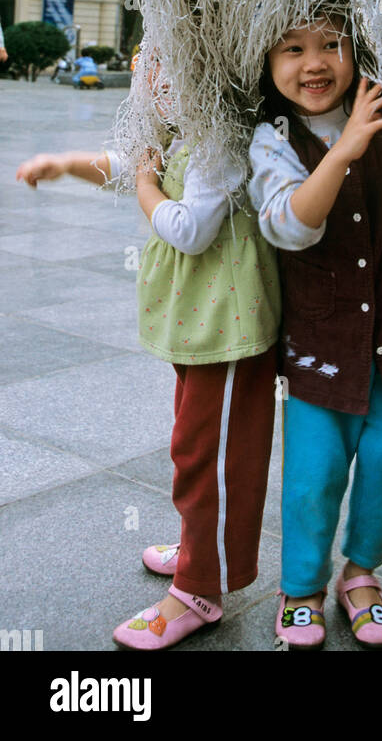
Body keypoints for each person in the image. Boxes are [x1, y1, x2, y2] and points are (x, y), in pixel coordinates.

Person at [17, 127, 280, 651]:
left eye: (159, 59)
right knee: (192, 446)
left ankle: (200, 590)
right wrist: (67, 162)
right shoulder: (182, 127)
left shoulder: (221, 136)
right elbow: (133, 163)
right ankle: (196, 548)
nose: (150, 71)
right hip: (202, 322)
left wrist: (143, 180)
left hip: (230, 327)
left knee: (213, 461)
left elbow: (190, 228)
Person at [249, 13, 382, 650]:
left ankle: (361, 574)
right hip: (320, 341)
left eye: (331, 44)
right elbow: (290, 225)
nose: (314, 63)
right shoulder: (271, 137)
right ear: (267, 61)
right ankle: (303, 585)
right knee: (315, 473)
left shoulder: (379, 104)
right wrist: (344, 148)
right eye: (293, 48)